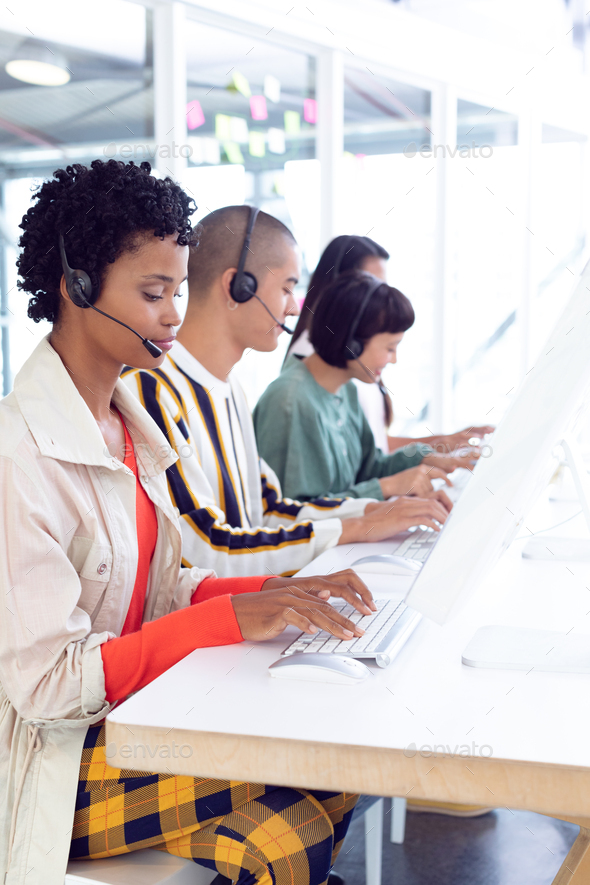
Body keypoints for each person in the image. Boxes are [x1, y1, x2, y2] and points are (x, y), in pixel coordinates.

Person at [0, 160, 382, 885]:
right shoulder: (17, 455)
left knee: (320, 799)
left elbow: (157, 587)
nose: (174, 314)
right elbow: (49, 685)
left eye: (177, 290)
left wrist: (270, 594)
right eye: (153, 294)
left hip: (131, 721)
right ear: (76, 287)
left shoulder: (129, 425)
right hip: (53, 762)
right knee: (307, 797)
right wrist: (225, 619)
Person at [122, 205, 453, 578]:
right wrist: (355, 527)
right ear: (237, 286)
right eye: (287, 288)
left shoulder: (230, 390)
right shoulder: (151, 390)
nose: (294, 308)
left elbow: (270, 511)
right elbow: (205, 553)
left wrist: (374, 512)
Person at [254, 269, 476, 503]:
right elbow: (293, 513)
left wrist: (424, 457)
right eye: (390, 348)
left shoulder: (345, 390)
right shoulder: (291, 402)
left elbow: (370, 469)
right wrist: (387, 487)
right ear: (353, 343)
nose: (394, 359)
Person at [288, 234, 493, 454]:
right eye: (369, 283)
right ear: (343, 291)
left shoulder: (358, 356)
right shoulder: (318, 358)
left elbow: (372, 448)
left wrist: (444, 443)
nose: (379, 295)